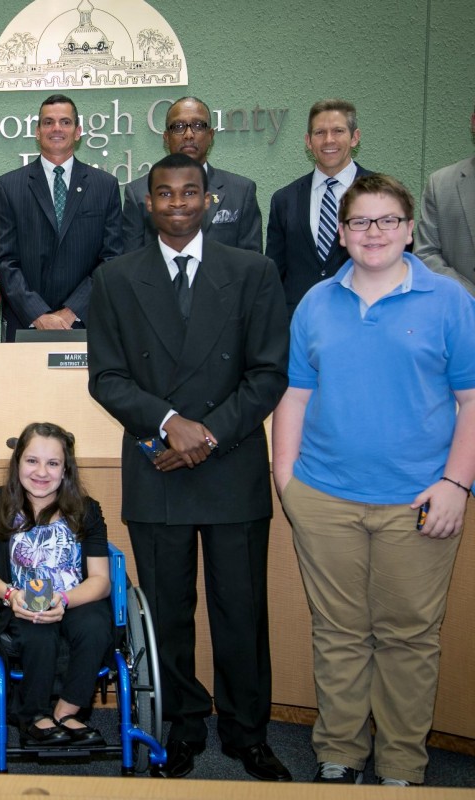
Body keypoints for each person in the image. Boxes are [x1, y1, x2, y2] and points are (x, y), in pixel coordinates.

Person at [87, 152, 291, 782]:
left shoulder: (252, 272)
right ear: (147, 204)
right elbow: (106, 378)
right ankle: (181, 725)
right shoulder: (116, 279)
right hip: (157, 464)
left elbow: (268, 374)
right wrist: (169, 423)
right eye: (164, 194)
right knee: (167, 611)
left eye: (189, 192)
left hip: (229, 466)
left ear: (208, 200)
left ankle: (246, 731)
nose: (177, 203)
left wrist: (207, 433)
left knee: (240, 609)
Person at [272, 174, 475, 787]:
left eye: (388, 221)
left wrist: (456, 485)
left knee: (408, 639)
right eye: (361, 222)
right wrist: (288, 482)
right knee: (337, 633)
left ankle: (402, 767)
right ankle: (339, 754)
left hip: (418, 503)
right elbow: (295, 395)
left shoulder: (449, 300)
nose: (374, 233)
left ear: (410, 230)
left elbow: (472, 401)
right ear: (343, 232)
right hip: (325, 498)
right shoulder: (316, 302)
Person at [0, 422, 112, 745]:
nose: (41, 472)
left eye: (53, 463)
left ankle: (66, 712)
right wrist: (9, 593)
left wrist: (64, 601)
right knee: (37, 632)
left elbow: (101, 580)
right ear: (17, 462)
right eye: (32, 461)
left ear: (66, 469)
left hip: (72, 598)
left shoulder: (87, 511)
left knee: (96, 627)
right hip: (17, 600)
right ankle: (32, 716)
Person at [0, 93, 123, 341]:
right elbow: (5, 261)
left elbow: (112, 257)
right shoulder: (8, 186)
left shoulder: (105, 186)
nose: (56, 128)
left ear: (78, 131)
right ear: (37, 131)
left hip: (87, 321)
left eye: (65, 122)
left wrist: (71, 312)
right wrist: (38, 314)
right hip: (26, 323)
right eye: (48, 122)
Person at [267, 99, 373, 319]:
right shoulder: (284, 199)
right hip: (299, 325)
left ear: (355, 137)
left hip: (363, 319)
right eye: (319, 133)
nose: (329, 140)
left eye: (338, 131)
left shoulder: (381, 195)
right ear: (308, 141)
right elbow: (275, 274)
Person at [122, 97, 262, 253]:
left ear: (210, 135)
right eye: (178, 126)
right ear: (166, 138)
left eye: (198, 125)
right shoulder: (138, 193)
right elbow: (130, 267)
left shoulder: (241, 192)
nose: (188, 134)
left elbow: (252, 268)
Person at [414, 104, 475, 294]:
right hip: (464, 313)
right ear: (473, 123)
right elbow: (426, 254)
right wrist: (469, 297)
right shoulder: (440, 184)